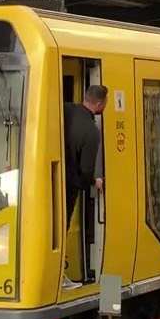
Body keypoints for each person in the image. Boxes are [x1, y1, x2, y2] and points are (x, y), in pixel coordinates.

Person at [62, 84, 108, 287]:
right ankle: (58, 277)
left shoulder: (65, 109)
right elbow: (86, 171)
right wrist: (93, 182)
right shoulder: (92, 132)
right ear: (99, 105)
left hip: (44, 184)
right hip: (68, 188)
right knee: (61, 230)